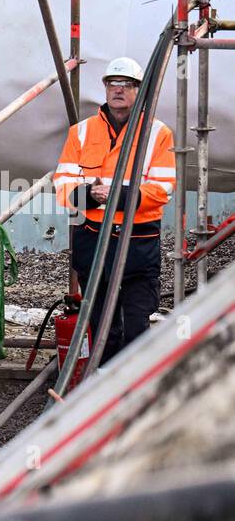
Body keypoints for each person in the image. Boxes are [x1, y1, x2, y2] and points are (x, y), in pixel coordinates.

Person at [54, 56, 176, 362]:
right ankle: (104, 390)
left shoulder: (157, 133)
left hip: (137, 244)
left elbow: (162, 189)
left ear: (139, 90)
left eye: (126, 84)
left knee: (137, 329)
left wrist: (117, 196)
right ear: (105, 88)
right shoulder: (81, 132)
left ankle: (132, 392)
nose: (118, 90)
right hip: (93, 243)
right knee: (102, 331)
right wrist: (92, 196)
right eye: (112, 83)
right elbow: (62, 186)